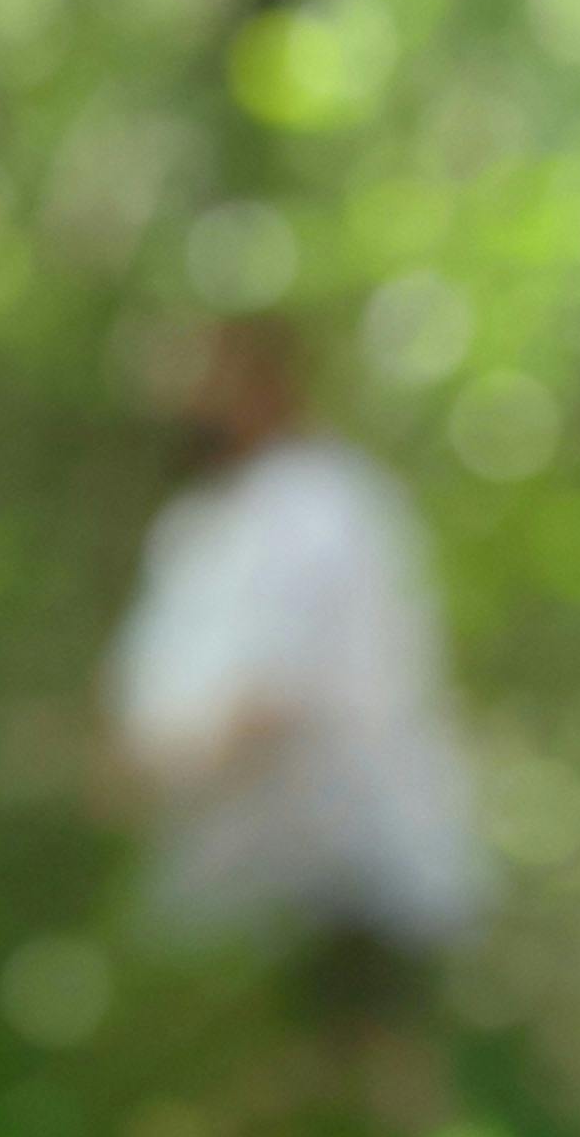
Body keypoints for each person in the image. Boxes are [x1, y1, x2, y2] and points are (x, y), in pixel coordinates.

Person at [101, 314, 488, 959]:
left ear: (265, 383)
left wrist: (147, 778)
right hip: (226, 895)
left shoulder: (322, 506)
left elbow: (274, 699)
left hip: (346, 884)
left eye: (209, 376)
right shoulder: (196, 523)